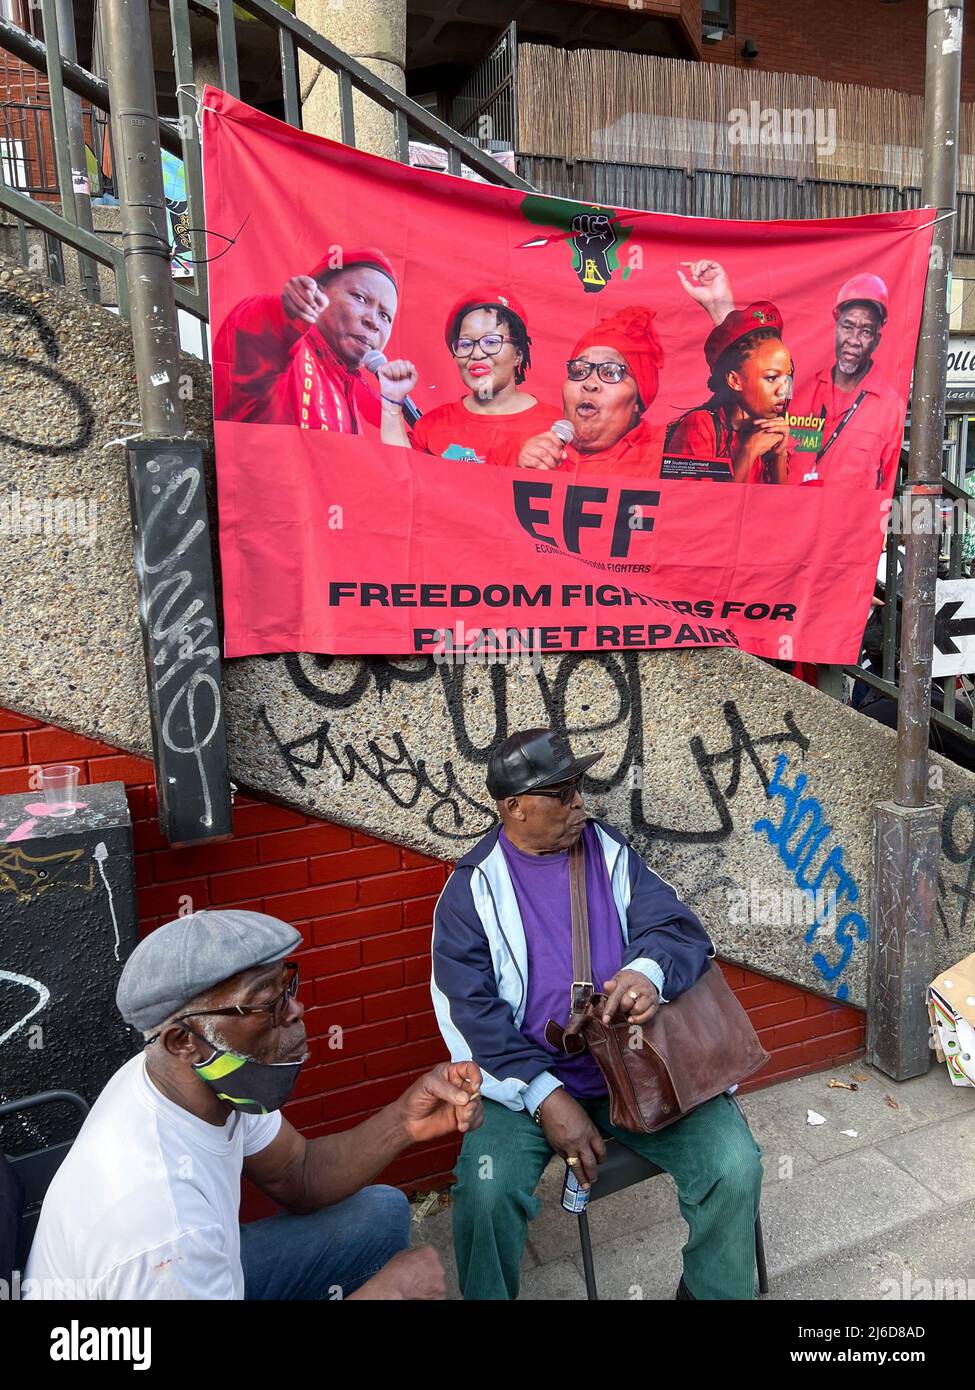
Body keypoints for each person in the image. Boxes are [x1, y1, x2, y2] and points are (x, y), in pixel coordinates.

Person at [431, 727, 764, 1301]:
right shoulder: (471, 891)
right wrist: (545, 1097)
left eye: (578, 786)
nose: (579, 801)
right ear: (514, 808)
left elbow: (678, 929)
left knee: (734, 1166)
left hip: (637, 1069)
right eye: (561, 792)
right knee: (484, 1195)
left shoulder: (608, 852)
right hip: (522, 1084)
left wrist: (649, 972)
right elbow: (471, 1016)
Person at [25, 909, 482, 1300]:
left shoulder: (204, 1081)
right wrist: (385, 1293)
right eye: (268, 1003)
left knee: (381, 1212)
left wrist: (405, 1121)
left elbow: (297, 1173)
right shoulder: (164, 1229)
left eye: (287, 987)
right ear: (184, 1040)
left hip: (195, 1268)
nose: (296, 1010)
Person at [211, 247, 413, 434]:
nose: (373, 322)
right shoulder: (286, 348)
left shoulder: (348, 390)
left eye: (385, 316)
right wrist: (287, 313)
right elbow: (259, 334)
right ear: (319, 292)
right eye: (360, 298)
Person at [377, 288, 561, 465]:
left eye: (491, 342)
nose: (477, 354)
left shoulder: (555, 427)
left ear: (518, 355)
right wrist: (392, 407)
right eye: (465, 344)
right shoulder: (432, 426)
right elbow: (402, 481)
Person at [516, 306, 665, 475]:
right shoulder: (527, 448)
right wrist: (518, 474)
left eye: (610, 372)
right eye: (579, 371)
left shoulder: (667, 452)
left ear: (638, 400)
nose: (589, 383)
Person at [786, 274, 904, 489]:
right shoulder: (801, 391)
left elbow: (885, 487)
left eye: (865, 331)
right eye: (847, 327)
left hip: (848, 522)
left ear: (877, 339)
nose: (853, 340)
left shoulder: (890, 408)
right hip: (793, 519)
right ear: (836, 328)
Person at [664, 301, 792, 483]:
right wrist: (748, 452)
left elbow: (783, 509)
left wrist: (780, 455)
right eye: (771, 378)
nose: (783, 390)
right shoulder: (700, 426)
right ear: (735, 380)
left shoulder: (767, 428)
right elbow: (698, 508)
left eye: (787, 377)